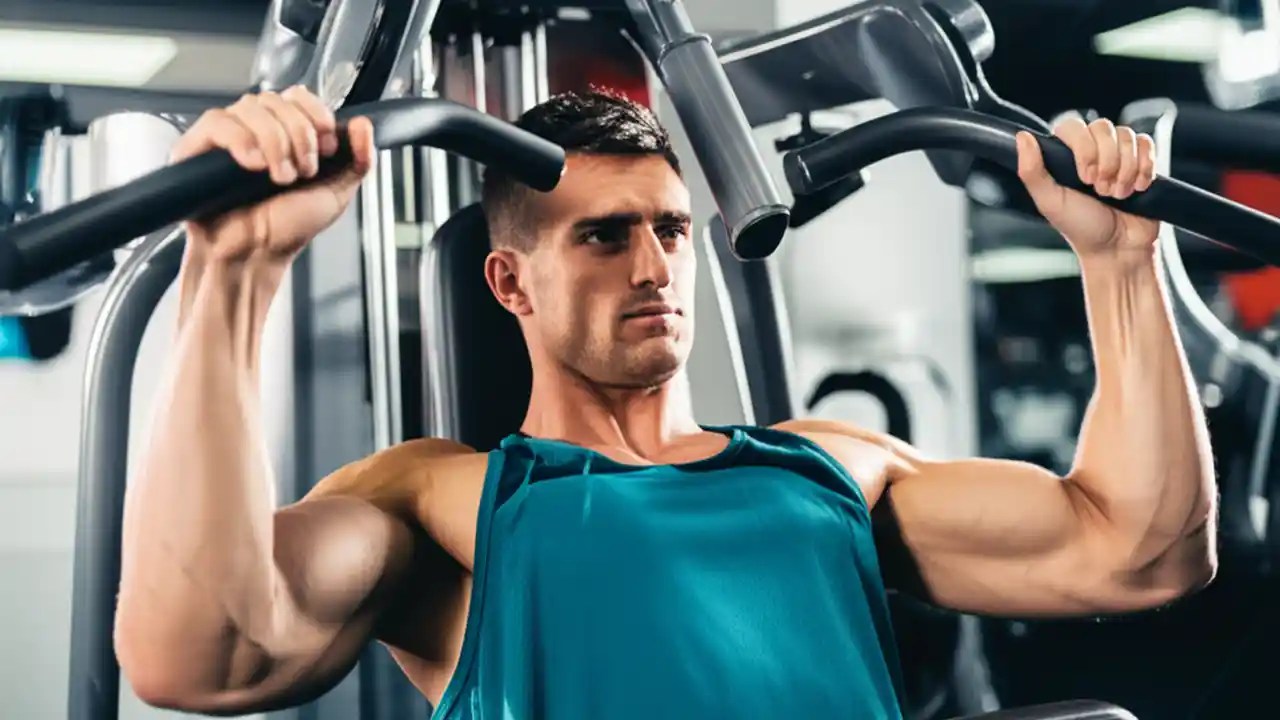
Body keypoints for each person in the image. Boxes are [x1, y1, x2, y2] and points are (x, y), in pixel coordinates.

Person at [114, 85, 1217, 719]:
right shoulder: (446, 502)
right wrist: (233, 273)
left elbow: (1140, 550)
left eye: (671, 230)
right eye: (603, 237)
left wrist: (1121, 266)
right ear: (511, 284)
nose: (652, 267)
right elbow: (197, 654)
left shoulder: (828, 467)